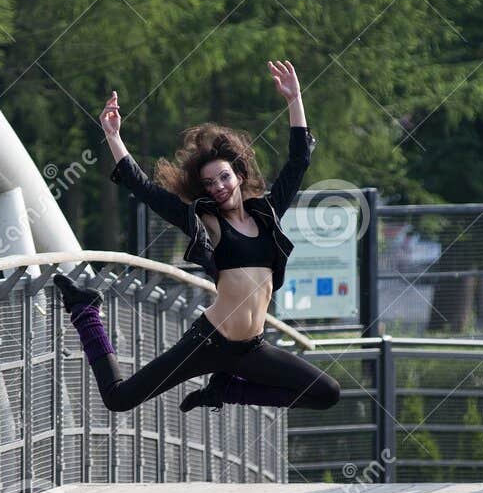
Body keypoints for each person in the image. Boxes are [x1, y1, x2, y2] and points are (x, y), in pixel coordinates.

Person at [54, 60, 342, 414]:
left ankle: (227, 391)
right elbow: (145, 190)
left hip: (252, 348)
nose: (218, 187)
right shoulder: (206, 223)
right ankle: (85, 310)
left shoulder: (267, 214)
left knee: (327, 393)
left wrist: (294, 100)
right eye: (208, 183)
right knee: (119, 398)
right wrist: (114, 137)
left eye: (223, 177)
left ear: (238, 174)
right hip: (208, 342)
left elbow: (298, 161)